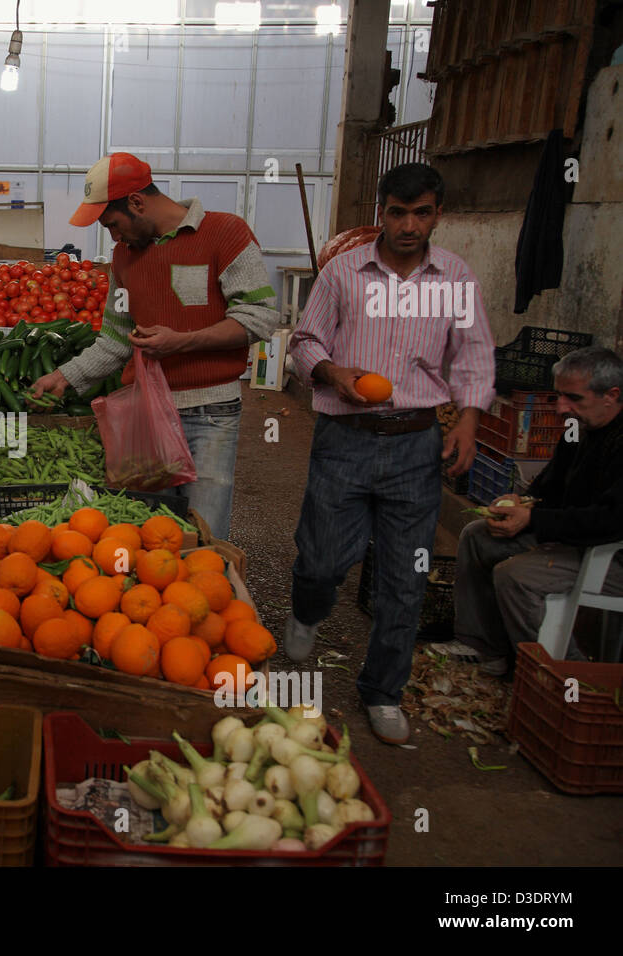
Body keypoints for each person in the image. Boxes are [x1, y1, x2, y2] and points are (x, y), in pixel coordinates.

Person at [285, 162, 495, 745]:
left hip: (417, 442)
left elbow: (474, 354)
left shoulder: (455, 278)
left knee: (407, 577)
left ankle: (382, 690)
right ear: (381, 212)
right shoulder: (343, 272)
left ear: (437, 214)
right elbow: (304, 342)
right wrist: (331, 370)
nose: (408, 225)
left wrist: (469, 421)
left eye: (421, 212)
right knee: (323, 557)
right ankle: (306, 610)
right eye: (397, 212)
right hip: (345, 438)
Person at [30, 152, 281, 541]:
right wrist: (64, 377)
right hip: (144, 417)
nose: (113, 237)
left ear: (137, 202)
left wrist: (183, 342)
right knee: (148, 535)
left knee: (204, 536)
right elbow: (115, 340)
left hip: (210, 414)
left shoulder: (225, 234)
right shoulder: (123, 258)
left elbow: (260, 316)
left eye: (112, 224)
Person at [431, 347, 623, 673]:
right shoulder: (580, 429)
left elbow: (609, 520)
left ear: (611, 396)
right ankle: (483, 647)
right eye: (559, 396)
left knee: (516, 576)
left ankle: (564, 676)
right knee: (479, 536)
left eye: (574, 398)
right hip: (574, 537)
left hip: (609, 555)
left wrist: (534, 518)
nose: (562, 408)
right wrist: (523, 502)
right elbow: (550, 484)